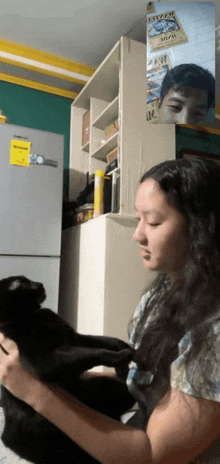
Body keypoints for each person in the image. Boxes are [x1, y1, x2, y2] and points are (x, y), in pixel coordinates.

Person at [1, 158, 220, 464]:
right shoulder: (161, 296)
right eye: (138, 218)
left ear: (200, 229)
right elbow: (145, 382)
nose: (138, 234)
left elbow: (151, 455)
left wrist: (34, 392)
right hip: (141, 425)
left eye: (154, 222)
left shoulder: (212, 335)